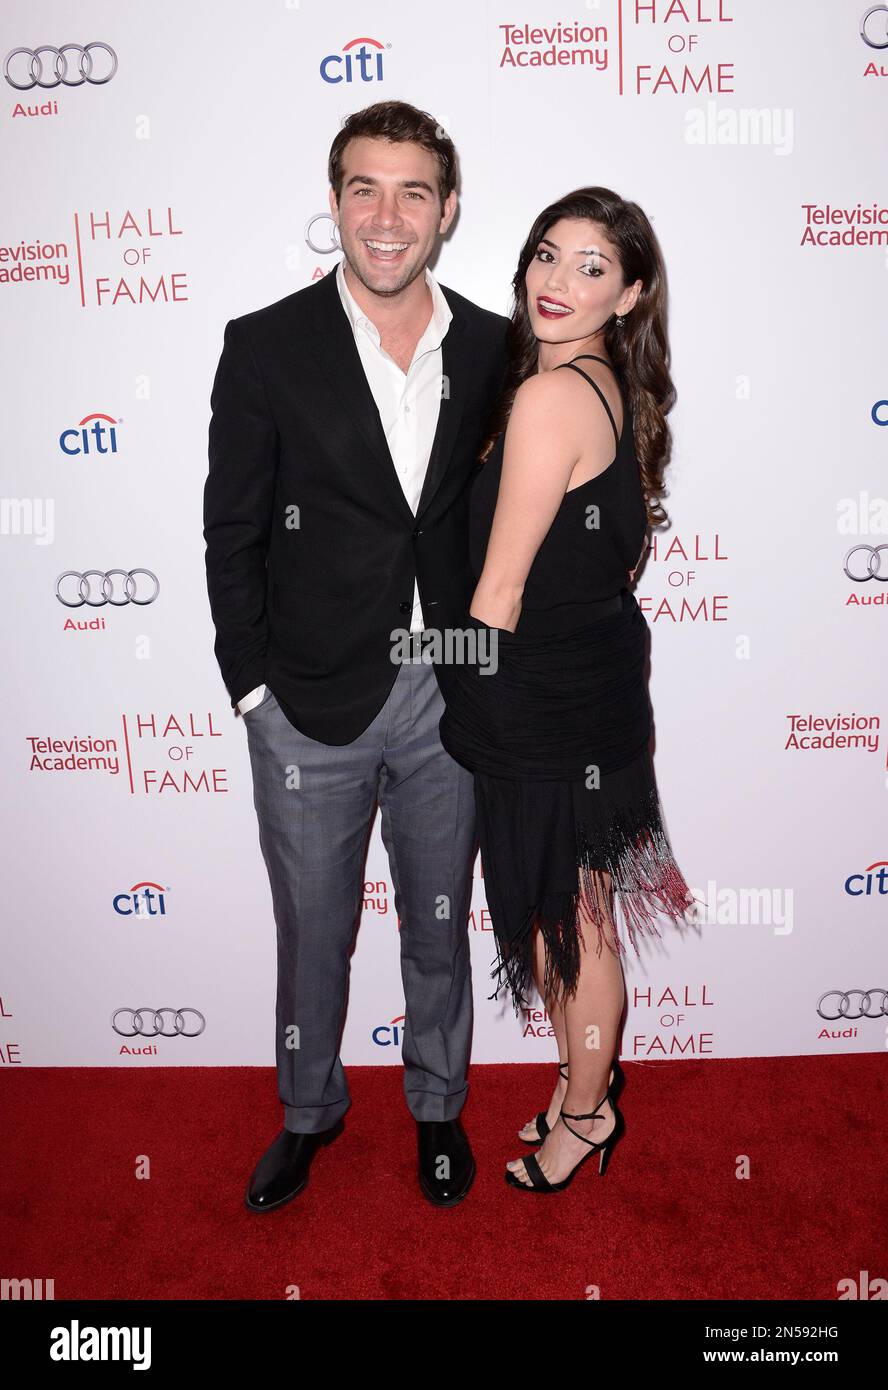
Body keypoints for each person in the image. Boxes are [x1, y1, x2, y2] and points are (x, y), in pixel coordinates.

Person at [203, 100, 508, 1211]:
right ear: (334, 203)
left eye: (413, 191)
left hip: (448, 689)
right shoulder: (265, 344)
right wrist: (254, 690)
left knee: (438, 922)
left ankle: (437, 1106)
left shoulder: (493, 346)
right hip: (309, 695)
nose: (388, 217)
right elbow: (231, 530)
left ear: (448, 210)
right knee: (313, 933)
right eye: (365, 189)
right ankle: (308, 1110)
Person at [439, 187, 695, 1193]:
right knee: (567, 913)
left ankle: (587, 1114)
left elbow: (496, 599)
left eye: (592, 267)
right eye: (549, 254)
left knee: (569, 928)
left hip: (540, 710)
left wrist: (395, 669)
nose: (558, 280)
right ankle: (578, 1079)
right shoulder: (603, 387)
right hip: (585, 701)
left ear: (629, 294)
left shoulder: (551, 397)